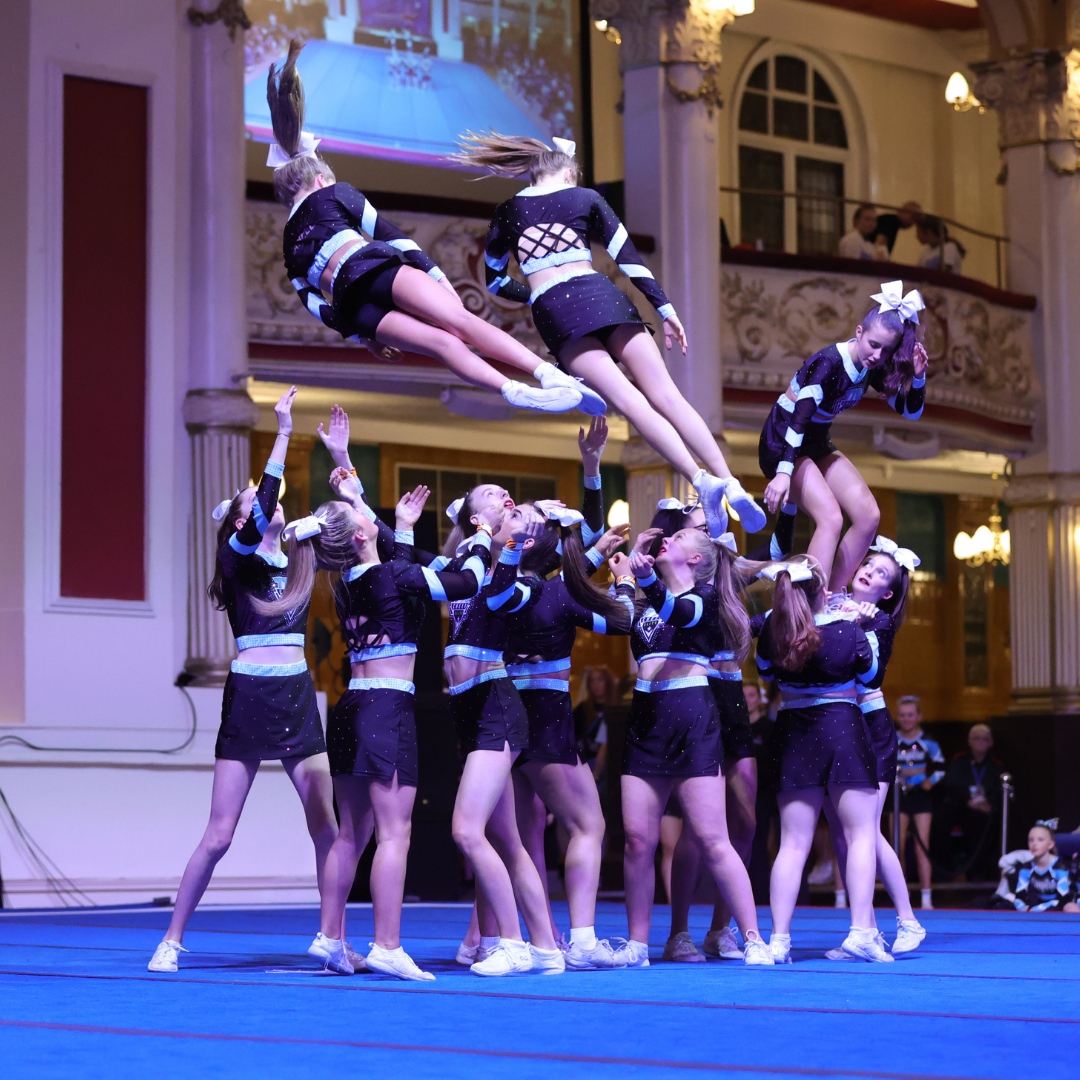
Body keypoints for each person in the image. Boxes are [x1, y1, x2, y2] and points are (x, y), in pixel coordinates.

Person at [450, 131, 767, 539]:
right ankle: (732, 483)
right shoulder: (586, 198)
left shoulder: (507, 212)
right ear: (569, 173)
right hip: (601, 295)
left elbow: (494, 281)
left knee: (632, 404)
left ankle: (700, 479)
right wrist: (665, 309)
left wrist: (534, 295)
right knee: (668, 395)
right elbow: (629, 260)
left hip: (557, 312)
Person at [265, 42, 604, 418]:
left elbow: (314, 305)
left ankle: (513, 391)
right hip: (373, 269)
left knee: (443, 347)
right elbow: (389, 233)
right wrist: (437, 275)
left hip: (352, 305)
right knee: (461, 322)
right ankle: (550, 376)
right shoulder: (332, 193)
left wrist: (363, 336)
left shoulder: (288, 245)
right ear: (319, 178)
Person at [149, 389, 339, 974]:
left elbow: (353, 529)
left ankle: (332, 938)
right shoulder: (238, 561)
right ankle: (171, 939)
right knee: (220, 834)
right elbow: (265, 504)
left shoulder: (300, 556)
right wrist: (281, 432)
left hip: (297, 695)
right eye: (253, 503)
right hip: (252, 696)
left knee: (327, 827)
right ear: (240, 521)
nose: (267, 505)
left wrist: (342, 460)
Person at [619, 526, 774, 967]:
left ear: (695, 559)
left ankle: (752, 938)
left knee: (712, 838)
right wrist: (625, 574)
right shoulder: (648, 601)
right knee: (637, 840)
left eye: (681, 536)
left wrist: (644, 577)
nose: (668, 537)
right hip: (646, 720)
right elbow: (620, 617)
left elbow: (678, 612)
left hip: (691, 717)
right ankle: (639, 944)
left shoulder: (705, 598)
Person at [427, 487, 567, 975]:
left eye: (515, 508)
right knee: (507, 840)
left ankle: (510, 942)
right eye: (496, 497)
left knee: (466, 831)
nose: (508, 501)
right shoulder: (467, 564)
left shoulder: (522, 580)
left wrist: (508, 544)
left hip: (495, 706)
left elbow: (501, 592)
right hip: (467, 710)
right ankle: (546, 948)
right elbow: (422, 564)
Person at [756, 557, 890, 963]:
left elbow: (765, 674)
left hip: (793, 732)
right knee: (860, 834)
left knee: (793, 843)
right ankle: (861, 932)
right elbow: (872, 677)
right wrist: (864, 627)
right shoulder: (848, 629)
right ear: (823, 592)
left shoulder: (774, 629)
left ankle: (779, 940)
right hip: (842, 729)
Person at [759, 280, 929, 590]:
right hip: (783, 442)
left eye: (886, 350)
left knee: (868, 515)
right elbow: (798, 420)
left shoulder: (870, 366)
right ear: (859, 332)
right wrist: (784, 473)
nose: (877, 355)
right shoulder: (828, 363)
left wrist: (918, 377)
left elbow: (910, 411)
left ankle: (832, 593)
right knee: (831, 518)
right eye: (873, 344)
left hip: (815, 443)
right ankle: (810, 603)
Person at [821, 539, 928, 957]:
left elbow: (871, 675)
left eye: (880, 572)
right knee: (845, 834)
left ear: (887, 592)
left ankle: (908, 919)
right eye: (868, 563)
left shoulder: (879, 620)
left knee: (866, 829)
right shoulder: (834, 603)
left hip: (869, 725)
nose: (868, 570)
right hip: (833, 724)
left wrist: (859, 624)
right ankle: (864, 929)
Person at [895, 695, 945, 911]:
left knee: (922, 845)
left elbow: (941, 767)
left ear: (919, 717)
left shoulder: (928, 741)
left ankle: (926, 897)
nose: (906, 719)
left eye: (910, 715)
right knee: (897, 846)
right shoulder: (892, 739)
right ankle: (901, 896)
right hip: (898, 796)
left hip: (921, 797)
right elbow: (882, 764)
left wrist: (929, 782)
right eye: (902, 715)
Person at [942, 723, 1004, 882]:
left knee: (983, 823)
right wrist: (968, 802)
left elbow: (998, 792)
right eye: (976, 738)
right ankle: (944, 872)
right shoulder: (959, 761)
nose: (980, 742)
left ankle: (979, 874)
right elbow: (952, 786)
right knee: (942, 820)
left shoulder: (996, 766)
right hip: (961, 807)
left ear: (991, 742)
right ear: (969, 741)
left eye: (985, 739)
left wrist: (988, 805)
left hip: (984, 811)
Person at [1000, 821, 1079, 913]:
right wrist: (1023, 908)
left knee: (1070, 907)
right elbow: (1020, 896)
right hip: (1038, 906)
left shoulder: (1061, 868)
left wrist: (1039, 908)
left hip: (1062, 905)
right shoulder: (1026, 868)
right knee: (1003, 903)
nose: (1034, 844)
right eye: (1031, 840)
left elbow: (1063, 899)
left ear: (1051, 844)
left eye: (1040, 840)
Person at [573, 666, 619, 783]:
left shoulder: (617, 709)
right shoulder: (582, 709)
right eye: (592, 681)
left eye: (599, 680)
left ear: (607, 683)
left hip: (609, 766)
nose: (596, 685)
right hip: (582, 763)